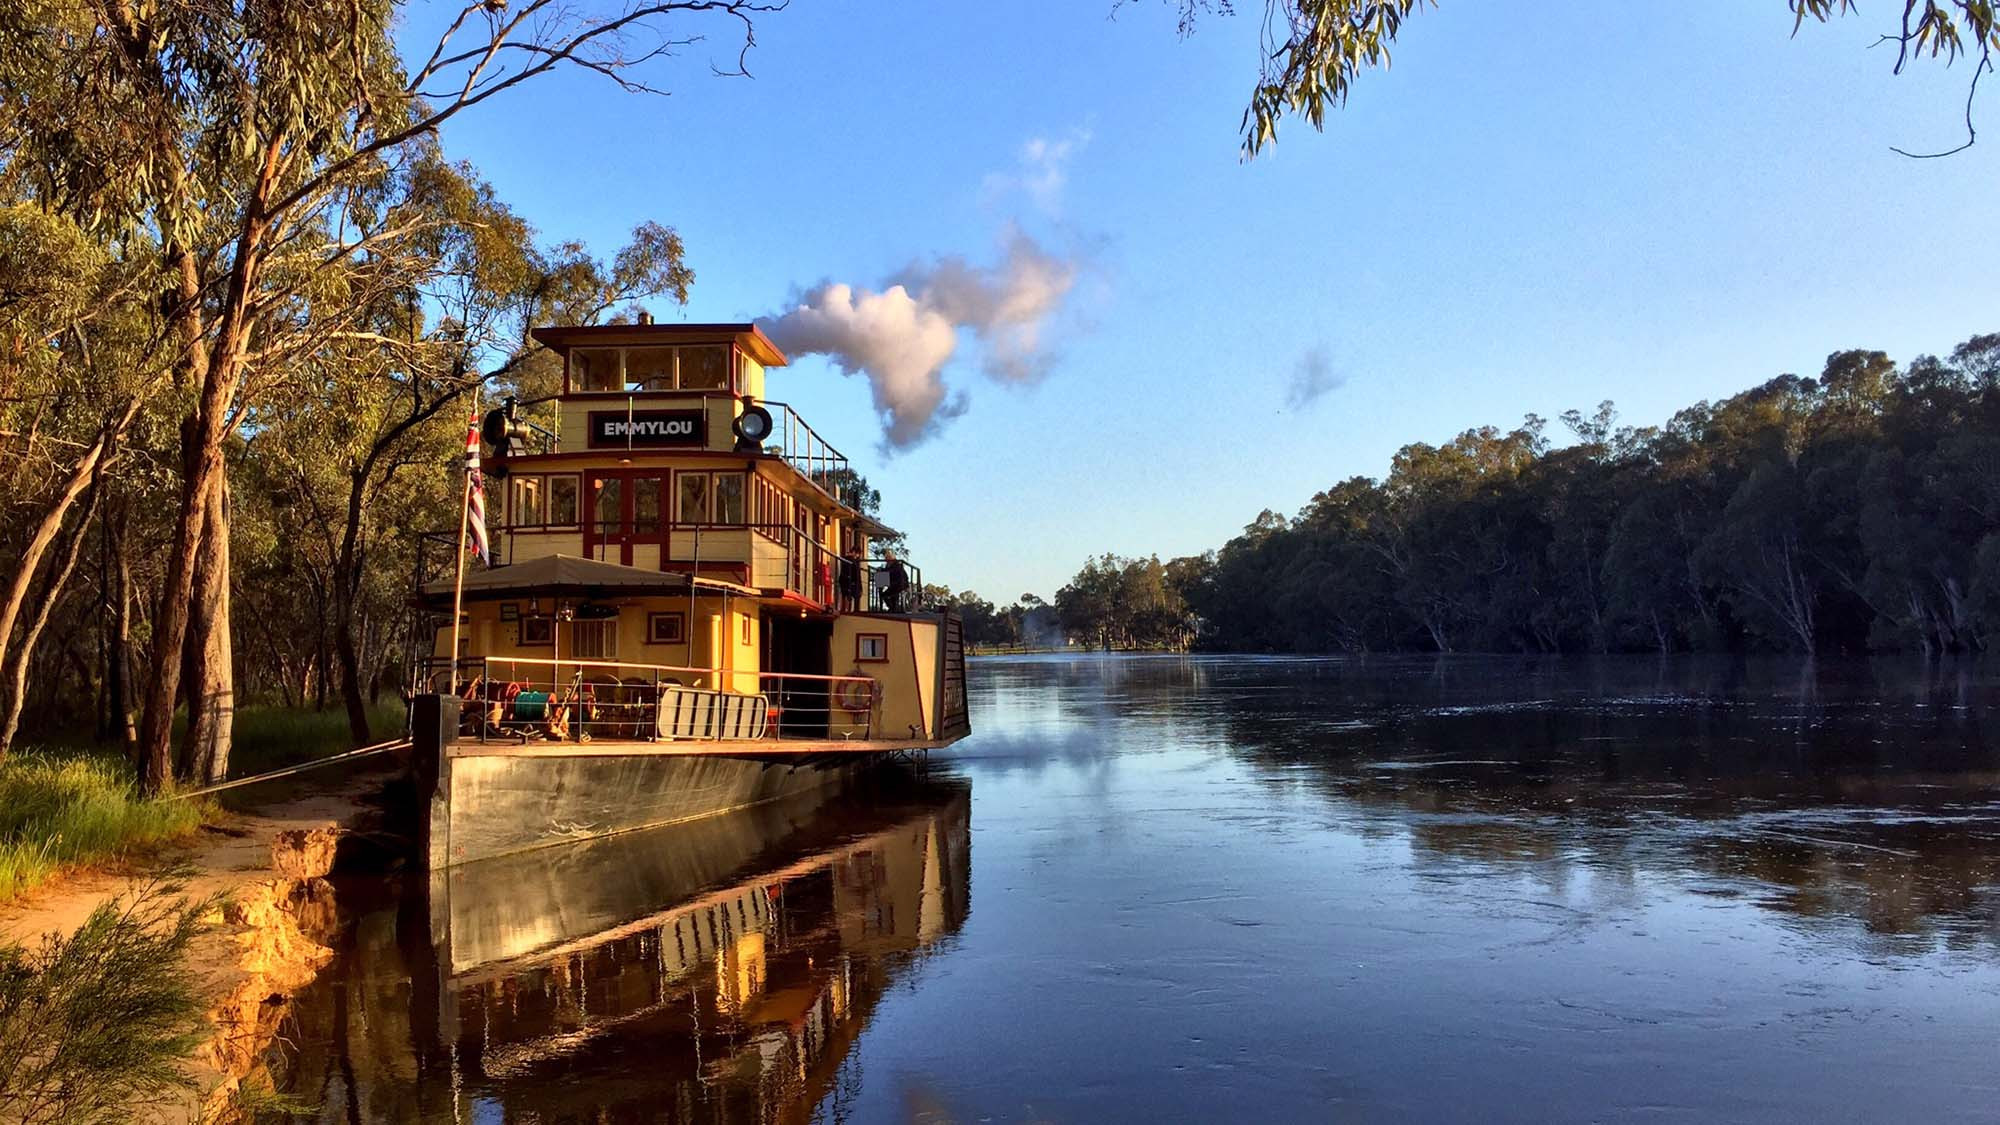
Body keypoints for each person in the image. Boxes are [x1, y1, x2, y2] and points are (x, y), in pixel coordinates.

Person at [881, 549, 910, 614]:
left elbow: (893, 572)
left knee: (888, 595)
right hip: (894, 584)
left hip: (898, 584)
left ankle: (893, 609)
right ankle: (892, 608)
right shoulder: (890, 565)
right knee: (886, 595)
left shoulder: (897, 565)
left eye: (887, 558)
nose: (886, 560)